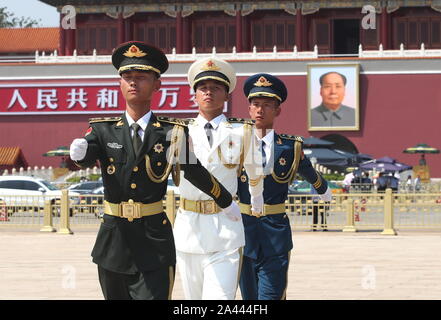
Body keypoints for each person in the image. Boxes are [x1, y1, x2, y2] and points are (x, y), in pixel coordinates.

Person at [69, 41, 240, 300]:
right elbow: (86, 157)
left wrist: (225, 200)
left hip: (153, 239)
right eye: (127, 77)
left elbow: (193, 170)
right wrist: (79, 155)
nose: (133, 83)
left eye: (141, 77)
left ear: (157, 85)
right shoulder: (102, 130)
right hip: (114, 239)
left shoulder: (171, 132)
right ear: (120, 84)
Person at [173, 57, 264, 300]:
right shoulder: (179, 131)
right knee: (193, 300)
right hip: (189, 226)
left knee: (221, 298)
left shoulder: (242, 130)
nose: (209, 93)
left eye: (216, 88)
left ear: (227, 96)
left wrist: (256, 200)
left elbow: (254, 172)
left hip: (225, 225)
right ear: (194, 95)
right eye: (203, 88)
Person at [237, 73, 332, 300]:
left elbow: (311, 174)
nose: (260, 110)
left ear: (277, 110)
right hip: (243, 232)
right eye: (256, 104)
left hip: (275, 232)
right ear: (249, 109)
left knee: (271, 295)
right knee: (249, 297)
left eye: (267, 105)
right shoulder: (234, 144)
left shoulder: (290, 147)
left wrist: (324, 191)